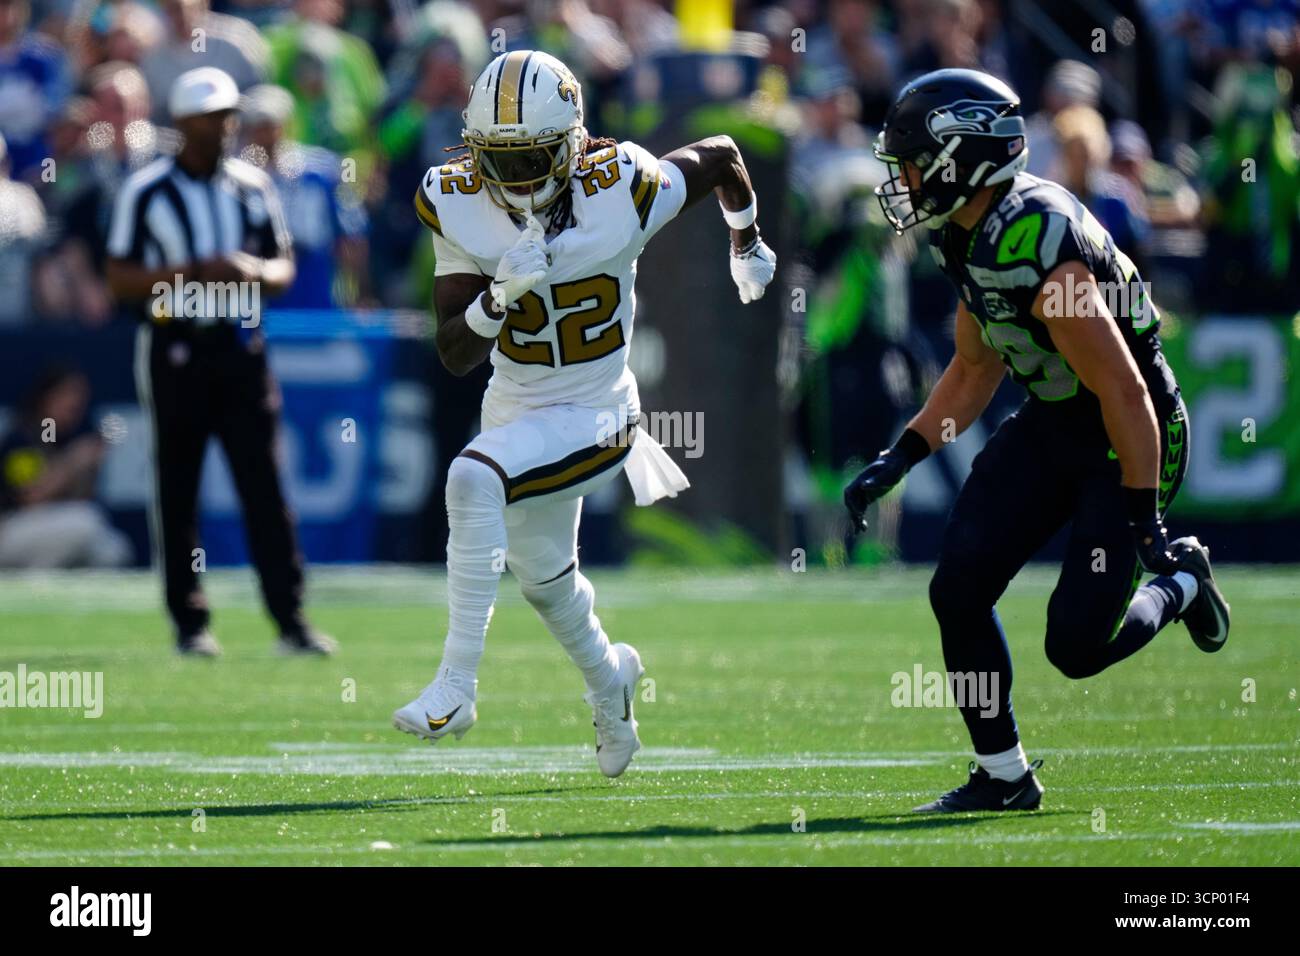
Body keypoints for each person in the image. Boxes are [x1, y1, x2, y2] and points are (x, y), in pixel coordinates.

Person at [844, 69, 1230, 812]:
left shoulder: (1036, 240)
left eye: (916, 160)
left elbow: (1123, 390)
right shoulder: (966, 234)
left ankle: (1182, 583)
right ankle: (1003, 775)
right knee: (957, 587)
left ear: (963, 159)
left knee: (1075, 649)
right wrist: (903, 454)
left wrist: (1146, 521)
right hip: (1056, 424)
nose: (905, 177)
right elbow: (974, 366)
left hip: (1127, 434)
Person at [391, 50, 776, 777]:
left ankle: (457, 685)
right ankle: (612, 682)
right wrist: (495, 300)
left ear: (570, 141)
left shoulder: (622, 184)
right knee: (544, 581)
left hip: (599, 412)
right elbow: (454, 352)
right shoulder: (452, 197)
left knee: (472, 479)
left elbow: (725, 156)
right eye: (498, 160)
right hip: (516, 410)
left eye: (533, 157)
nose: (515, 179)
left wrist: (746, 242)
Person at [104, 66, 334, 657]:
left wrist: (250, 270)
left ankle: (291, 618)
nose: (225, 126)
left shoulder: (251, 186)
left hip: (239, 349)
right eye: (213, 116)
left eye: (230, 114)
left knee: (264, 486)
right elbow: (120, 277)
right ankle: (190, 622)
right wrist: (191, 273)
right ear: (183, 122)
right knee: (177, 489)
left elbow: (283, 266)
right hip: (176, 348)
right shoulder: (148, 189)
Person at [0, 366, 132, 568]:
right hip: (10, 529)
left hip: (56, 527)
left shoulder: (68, 436)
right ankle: (29, 583)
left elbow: (80, 499)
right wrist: (74, 461)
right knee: (85, 522)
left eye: (80, 396)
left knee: (114, 550)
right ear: (47, 397)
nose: (76, 402)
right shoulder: (22, 437)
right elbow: (30, 498)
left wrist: (90, 469)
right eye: (69, 393)